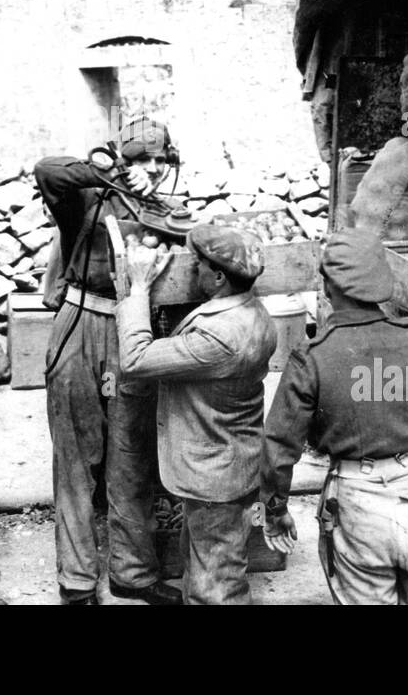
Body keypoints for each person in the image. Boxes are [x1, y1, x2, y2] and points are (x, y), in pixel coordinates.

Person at [260, 227, 408, 605]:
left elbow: (280, 445)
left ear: (328, 288)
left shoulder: (313, 357)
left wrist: (275, 510)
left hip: (355, 504)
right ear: (383, 282)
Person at [34, 116, 182, 605]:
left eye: (161, 159)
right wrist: (111, 173)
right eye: (143, 159)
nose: (154, 169)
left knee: (132, 458)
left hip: (132, 331)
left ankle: (132, 574)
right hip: (79, 325)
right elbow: (48, 170)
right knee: (75, 461)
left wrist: (150, 195)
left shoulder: (168, 207)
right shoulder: (87, 197)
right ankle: (76, 583)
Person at [117, 225, 278, 604]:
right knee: (207, 563)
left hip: (214, 475)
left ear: (219, 277)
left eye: (200, 265)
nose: (193, 270)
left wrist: (139, 290)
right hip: (230, 463)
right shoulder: (254, 313)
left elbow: (135, 359)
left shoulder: (221, 336)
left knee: (217, 586)